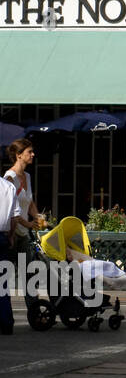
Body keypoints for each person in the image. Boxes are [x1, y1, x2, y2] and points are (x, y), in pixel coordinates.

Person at [4, 138, 44, 241]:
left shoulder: (27, 176)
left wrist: (39, 218)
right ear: (19, 155)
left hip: (23, 233)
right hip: (11, 234)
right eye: (29, 152)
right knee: (13, 257)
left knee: (23, 257)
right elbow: (10, 209)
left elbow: (29, 202)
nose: (33, 154)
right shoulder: (10, 177)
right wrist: (29, 224)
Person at [0, 172, 21, 334]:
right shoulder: (9, 187)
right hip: (2, 237)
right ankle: (6, 322)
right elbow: (15, 217)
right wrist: (11, 235)